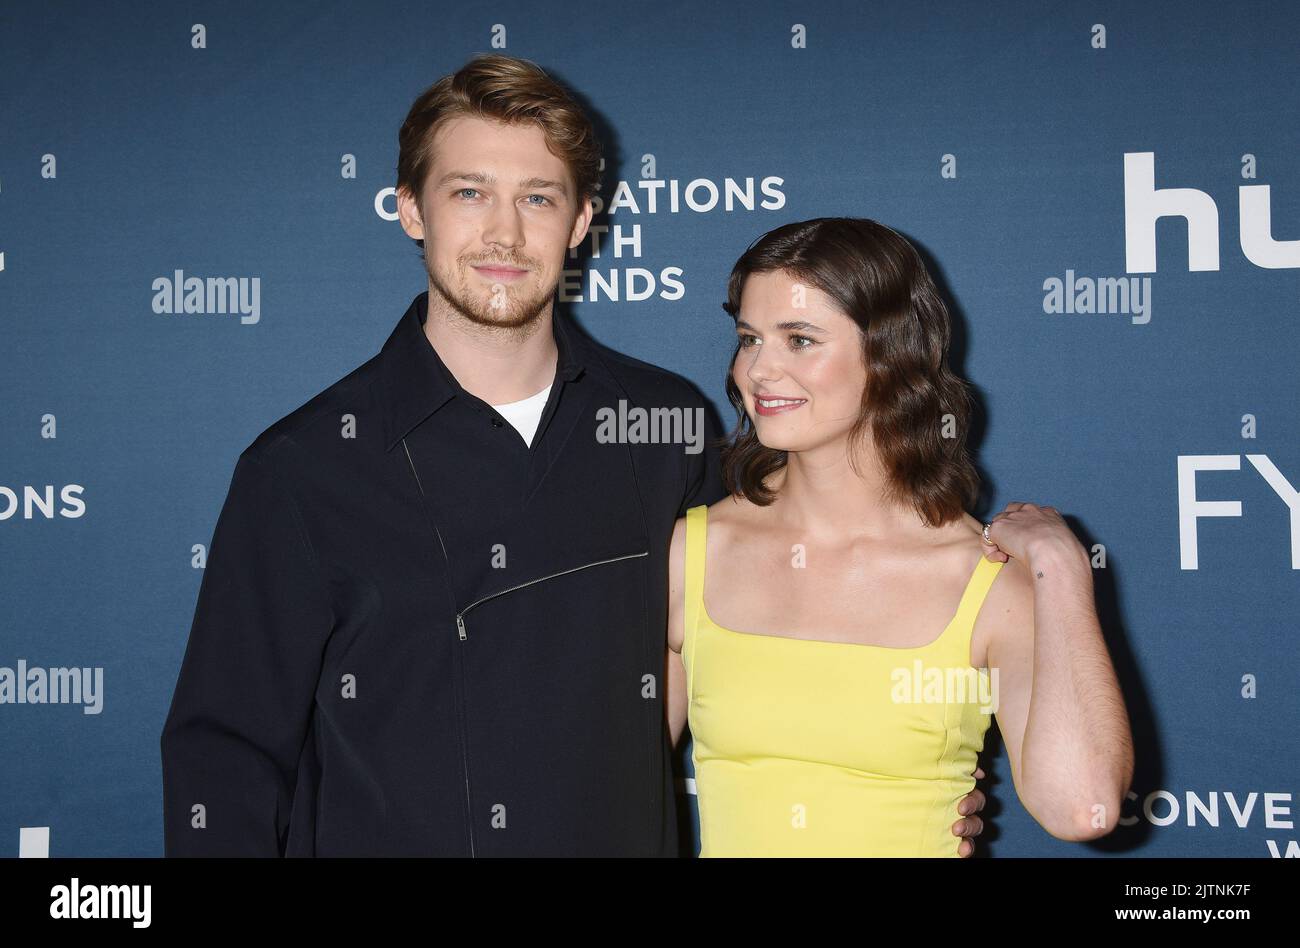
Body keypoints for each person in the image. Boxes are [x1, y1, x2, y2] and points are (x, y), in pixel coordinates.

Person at [160, 54, 990, 857]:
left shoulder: (664, 423)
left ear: (583, 220)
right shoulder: (302, 469)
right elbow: (225, 758)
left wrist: (912, 772)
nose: (504, 232)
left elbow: (805, 587)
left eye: (538, 198)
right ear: (411, 209)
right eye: (469, 193)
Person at [667, 217, 1135, 856]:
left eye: (799, 339)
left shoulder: (988, 577)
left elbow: (1083, 808)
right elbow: (600, 788)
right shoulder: (690, 554)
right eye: (750, 339)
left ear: (890, 356)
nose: (758, 371)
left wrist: (1060, 563)